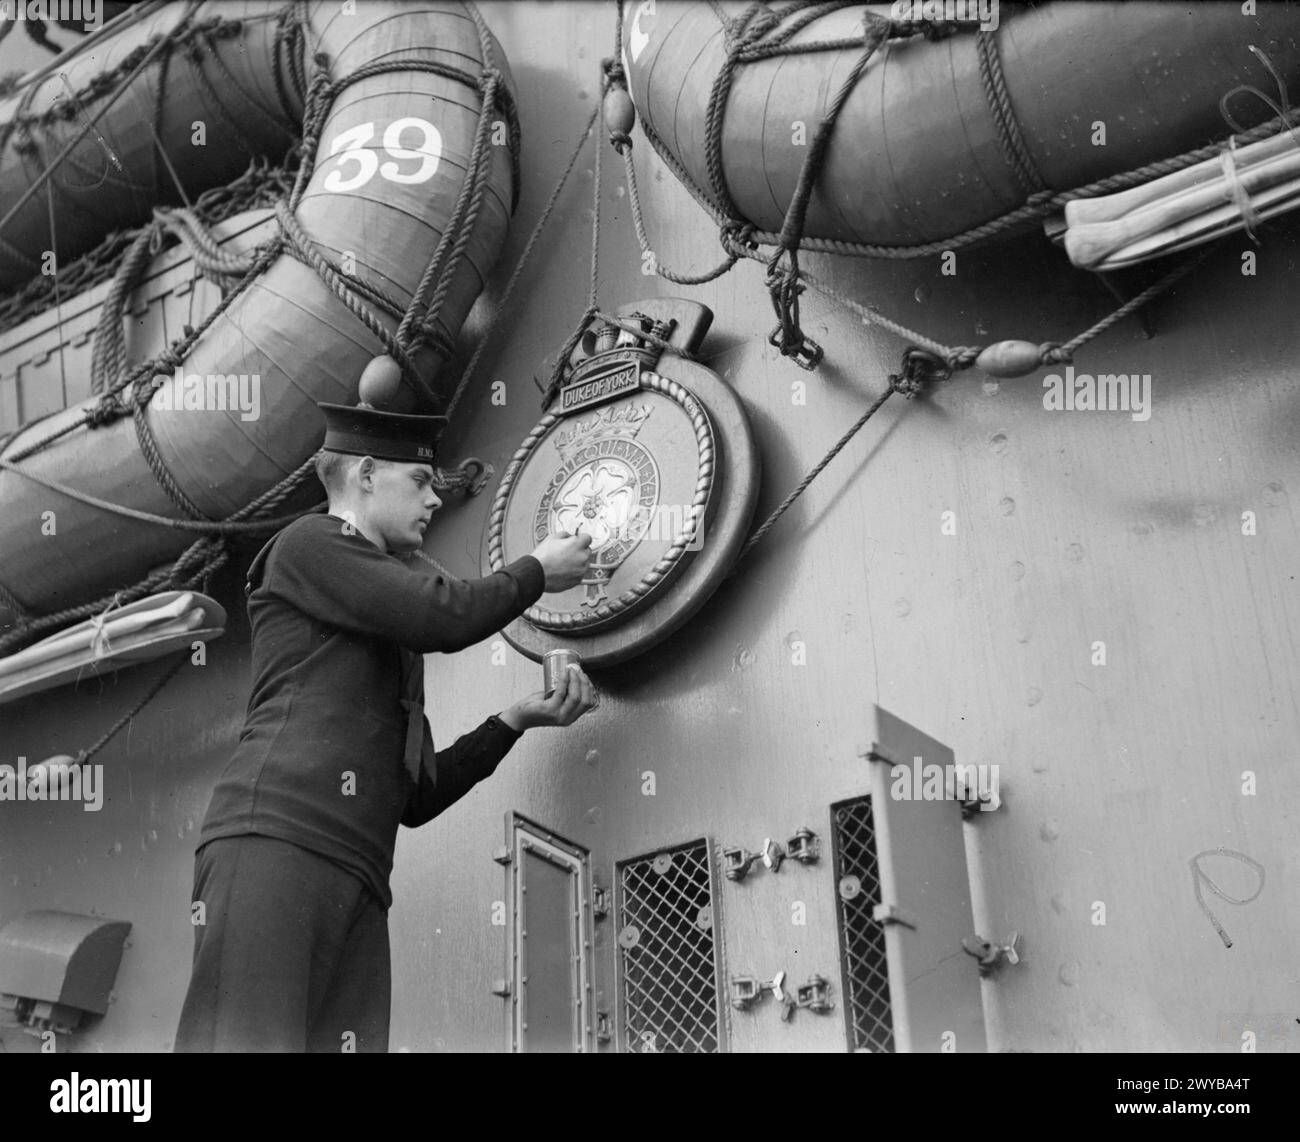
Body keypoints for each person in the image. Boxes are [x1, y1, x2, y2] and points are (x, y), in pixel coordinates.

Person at [174, 399, 596, 1052]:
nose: (434, 500)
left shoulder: (388, 626)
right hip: (278, 839)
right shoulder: (313, 544)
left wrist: (514, 720)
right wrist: (536, 571)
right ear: (366, 475)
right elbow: (444, 616)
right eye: (421, 482)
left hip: (358, 874)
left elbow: (414, 799)